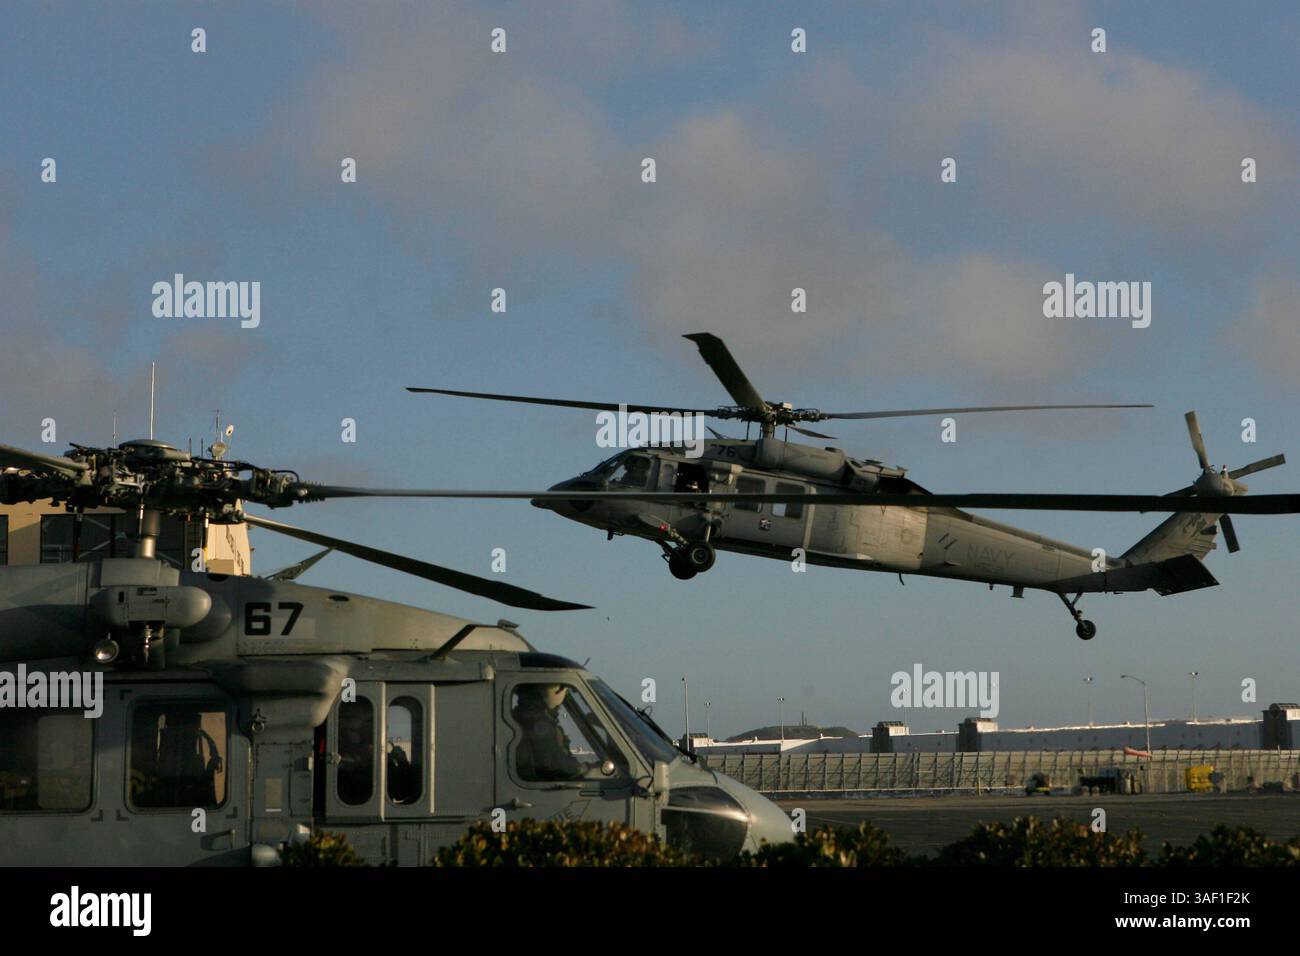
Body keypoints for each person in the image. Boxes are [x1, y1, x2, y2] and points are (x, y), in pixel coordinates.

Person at [512, 685, 583, 781]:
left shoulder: (518, 718)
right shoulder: (539, 723)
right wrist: (583, 769)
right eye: (564, 690)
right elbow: (557, 767)